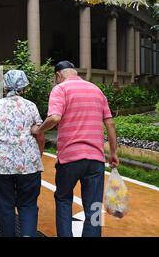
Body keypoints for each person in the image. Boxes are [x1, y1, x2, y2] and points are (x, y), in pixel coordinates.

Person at [31, 61, 119, 237]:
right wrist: (114, 153)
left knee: (63, 200)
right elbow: (109, 123)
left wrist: (38, 130)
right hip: (95, 159)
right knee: (94, 206)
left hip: (69, 159)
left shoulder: (60, 89)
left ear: (58, 75)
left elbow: (55, 117)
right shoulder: (96, 90)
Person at [0, 70, 45, 237]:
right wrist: (39, 155)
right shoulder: (31, 106)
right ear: (23, 87)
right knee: (28, 205)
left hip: (1, 165)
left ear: (6, 86)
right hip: (28, 164)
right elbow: (40, 135)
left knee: (5, 207)